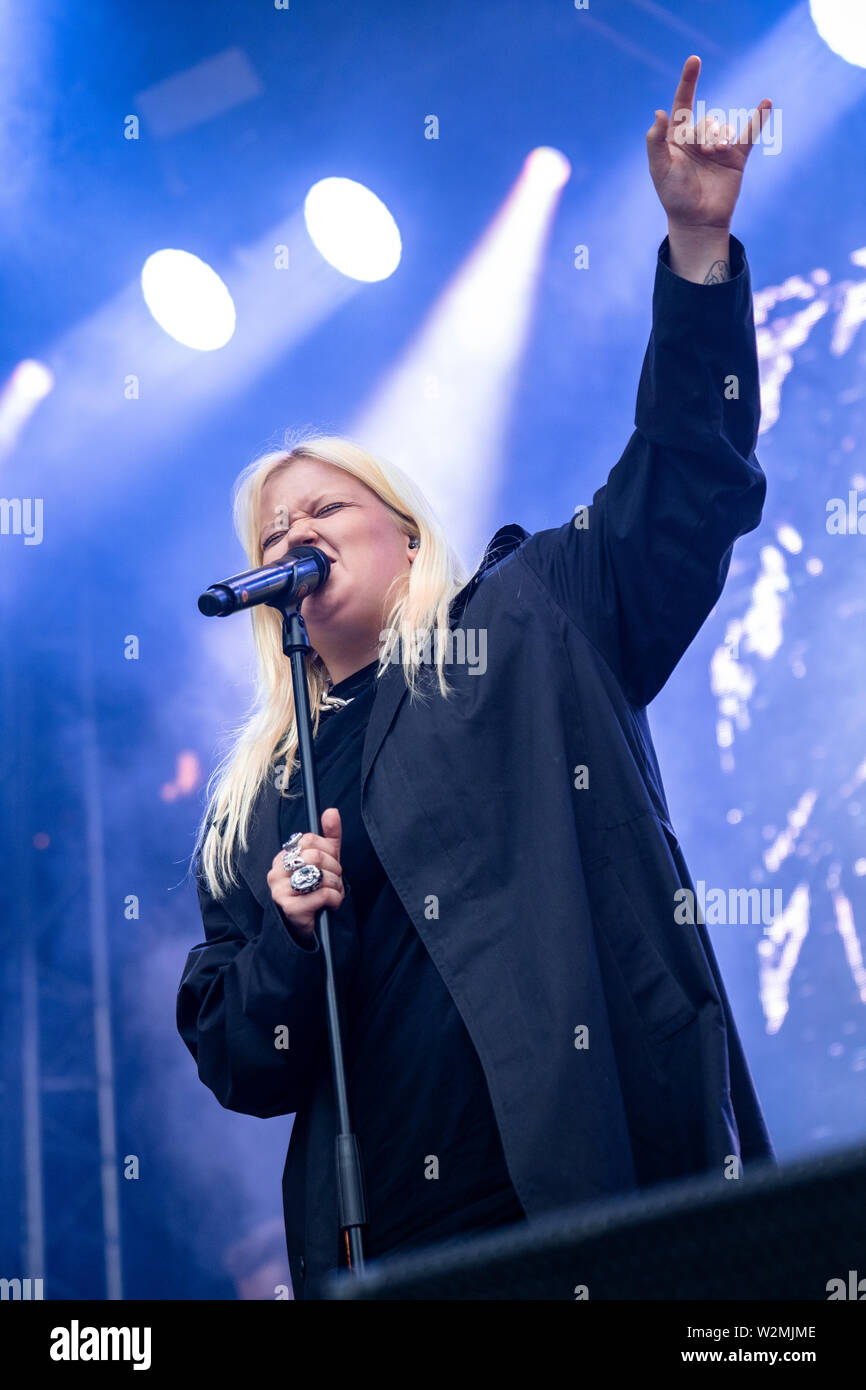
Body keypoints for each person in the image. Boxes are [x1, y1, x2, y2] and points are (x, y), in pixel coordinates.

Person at [177, 55, 776, 1300]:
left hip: (575, 1187)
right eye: (272, 532)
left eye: (323, 510)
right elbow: (246, 1062)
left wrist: (695, 249)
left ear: (404, 537)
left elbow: (686, 479)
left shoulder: (527, 615)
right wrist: (288, 933)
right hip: (387, 1239)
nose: (293, 536)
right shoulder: (254, 808)